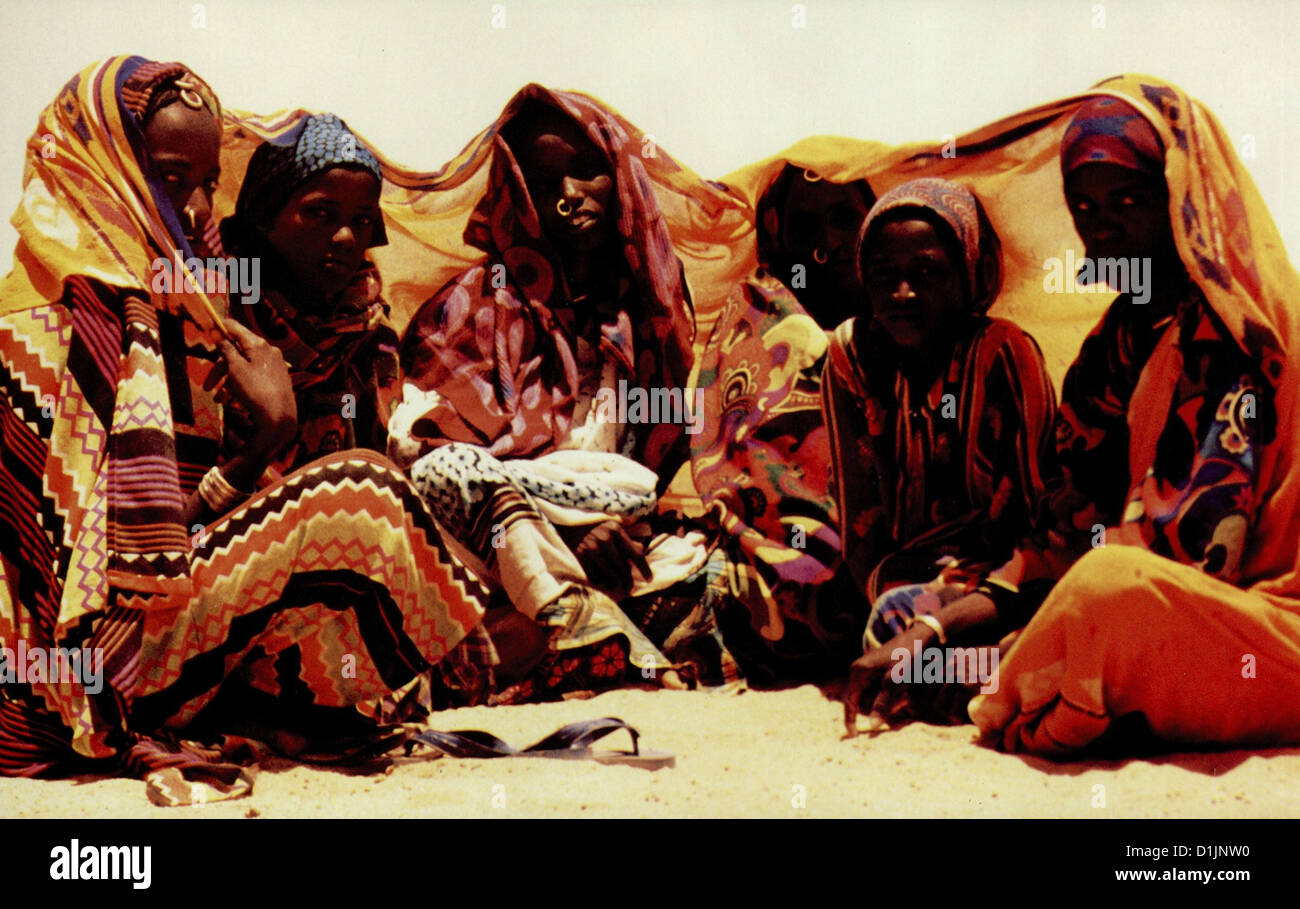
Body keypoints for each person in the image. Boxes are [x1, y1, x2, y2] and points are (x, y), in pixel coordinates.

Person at [0, 56, 489, 803]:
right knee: (360, 493)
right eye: (171, 178)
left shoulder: (176, 307)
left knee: (384, 514)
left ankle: (270, 704)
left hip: (149, 630)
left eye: (207, 182)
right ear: (104, 167)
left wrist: (253, 463)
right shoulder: (51, 323)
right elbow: (106, 573)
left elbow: (185, 536)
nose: (199, 207)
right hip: (77, 668)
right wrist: (262, 445)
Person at [851, 77, 1300, 757]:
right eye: (1084, 206)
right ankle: (1028, 673)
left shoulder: (1233, 335)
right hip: (1132, 598)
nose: (1102, 226)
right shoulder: (1114, 345)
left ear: (1182, 201)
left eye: (1129, 201)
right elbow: (1065, 533)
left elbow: (1190, 556)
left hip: (1257, 622)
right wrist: (936, 631)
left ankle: (1025, 673)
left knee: (1102, 595)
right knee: (902, 615)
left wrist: (1022, 629)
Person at [391, 86, 711, 701]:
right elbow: (429, 465)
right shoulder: (473, 304)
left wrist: (610, 529)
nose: (569, 195)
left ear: (620, 175)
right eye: (541, 181)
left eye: (586, 170)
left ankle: (578, 637)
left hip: (616, 540)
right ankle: (576, 628)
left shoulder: (649, 310)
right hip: (492, 553)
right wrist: (566, 528)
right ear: (514, 193)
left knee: (718, 578)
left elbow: (649, 467)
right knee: (448, 472)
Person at [832, 178, 1057, 724]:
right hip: (905, 572)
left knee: (912, 628)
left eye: (929, 273)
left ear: (970, 277)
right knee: (884, 614)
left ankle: (987, 658)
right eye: (884, 276)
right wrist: (896, 602)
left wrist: (929, 625)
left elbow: (1042, 532)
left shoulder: (1005, 354)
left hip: (1007, 576)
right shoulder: (852, 354)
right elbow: (860, 522)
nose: (903, 293)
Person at [690, 165, 875, 683]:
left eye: (844, 218)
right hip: (778, 573)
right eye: (805, 227)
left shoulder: (908, 318)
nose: (828, 242)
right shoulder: (760, 312)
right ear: (779, 239)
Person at [220, 112, 400, 476]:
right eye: (320, 213)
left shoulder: (369, 333)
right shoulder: (220, 315)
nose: (346, 237)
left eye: (362, 220)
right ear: (266, 215)